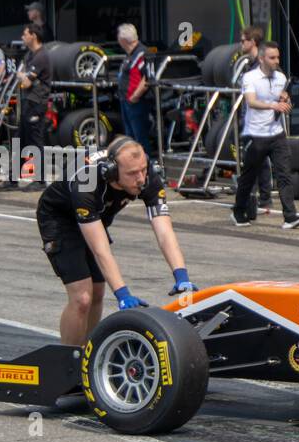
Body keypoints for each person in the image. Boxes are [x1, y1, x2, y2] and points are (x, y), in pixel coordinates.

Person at [36, 137, 196, 345]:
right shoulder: (87, 181)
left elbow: (164, 231)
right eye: (131, 173)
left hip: (97, 216)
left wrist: (181, 275)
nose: (140, 178)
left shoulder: (148, 177)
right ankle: (69, 359)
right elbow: (100, 249)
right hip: (60, 219)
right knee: (82, 298)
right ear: (111, 172)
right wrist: (123, 294)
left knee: (98, 292)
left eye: (143, 169)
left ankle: (89, 352)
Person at [231, 42, 299, 229]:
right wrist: (274, 105)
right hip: (255, 134)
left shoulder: (281, 77)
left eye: (278, 58)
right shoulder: (250, 77)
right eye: (272, 58)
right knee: (249, 175)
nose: (276, 61)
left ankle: (289, 215)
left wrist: (285, 100)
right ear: (262, 59)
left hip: (276, 134)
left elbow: (281, 96)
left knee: (284, 173)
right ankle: (238, 210)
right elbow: (251, 101)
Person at [0, 23, 52, 192]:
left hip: (36, 103)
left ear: (33, 35)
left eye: (25, 34)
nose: (22, 37)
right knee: (19, 141)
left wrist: (18, 74)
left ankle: (40, 180)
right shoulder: (29, 55)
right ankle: (12, 179)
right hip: (27, 103)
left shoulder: (41, 56)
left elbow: (26, 82)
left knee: (35, 141)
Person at [237, 26, 274, 205]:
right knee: (253, 158)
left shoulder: (262, 64)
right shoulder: (249, 65)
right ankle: (255, 196)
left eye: (244, 40)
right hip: (250, 117)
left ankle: (263, 197)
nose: (241, 43)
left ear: (253, 42)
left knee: (258, 158)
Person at [116, 23, 153, 157]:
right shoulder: (130, 54)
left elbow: (147, 78)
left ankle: (146, 166)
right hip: (126, 100)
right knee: (130, 137)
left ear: (123, 40)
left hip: (136, 102)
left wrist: (135, 96)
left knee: (140, 138)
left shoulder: (142, 53)